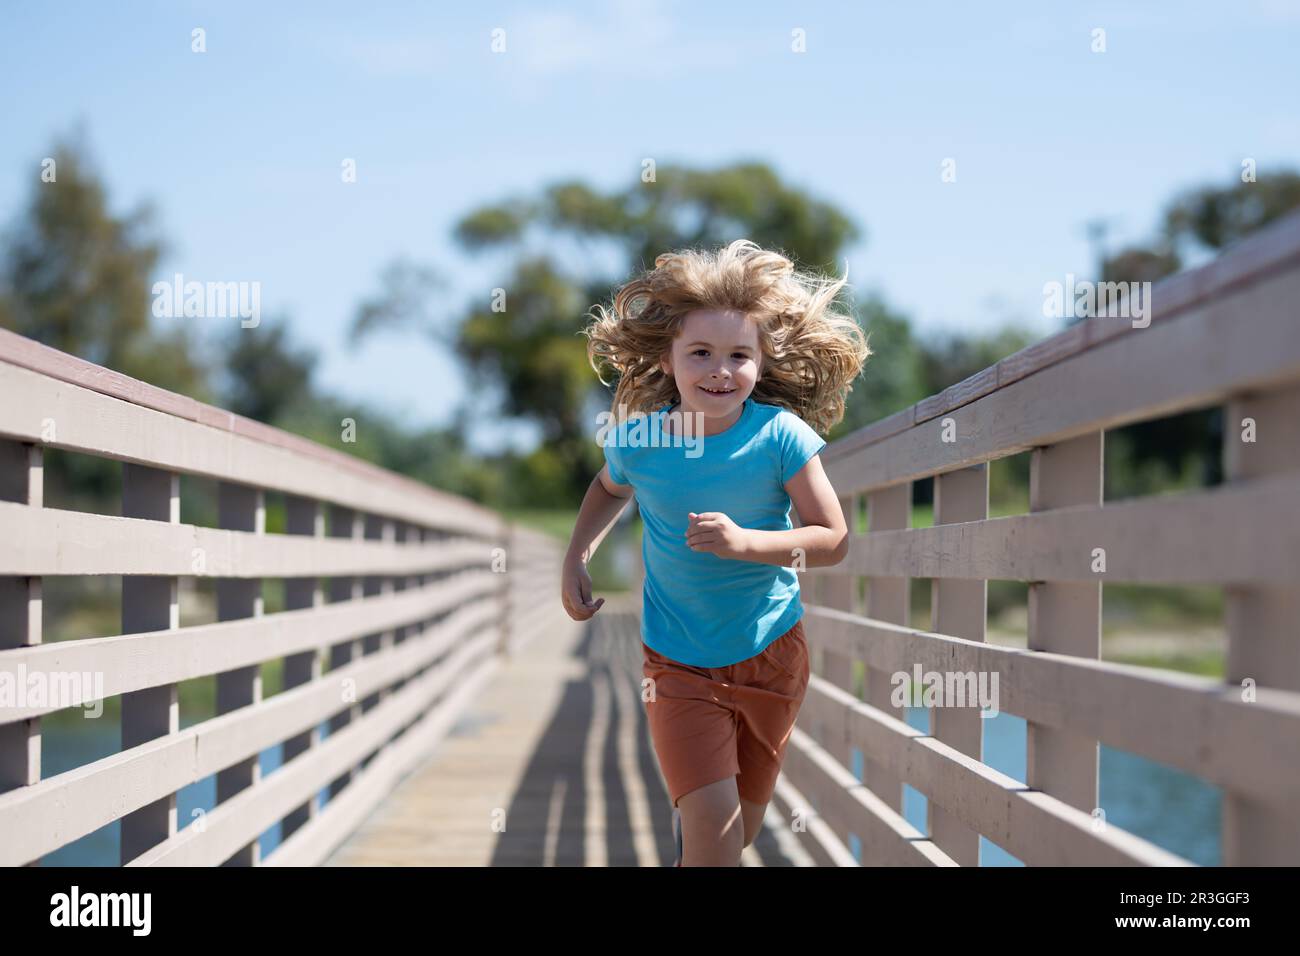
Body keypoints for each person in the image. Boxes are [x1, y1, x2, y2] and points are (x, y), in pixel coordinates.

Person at [562, 238, 872, 866]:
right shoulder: (642, 440)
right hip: (677, 663)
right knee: (711, 839)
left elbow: (833, 538)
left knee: (734, 834)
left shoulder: (781, 436)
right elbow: (605, 488)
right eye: (700, 353)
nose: (719, 371)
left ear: (761, 362)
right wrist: (577, 556)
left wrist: (747, 543)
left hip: (771, 655)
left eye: (739, 355)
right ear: (669, 359)